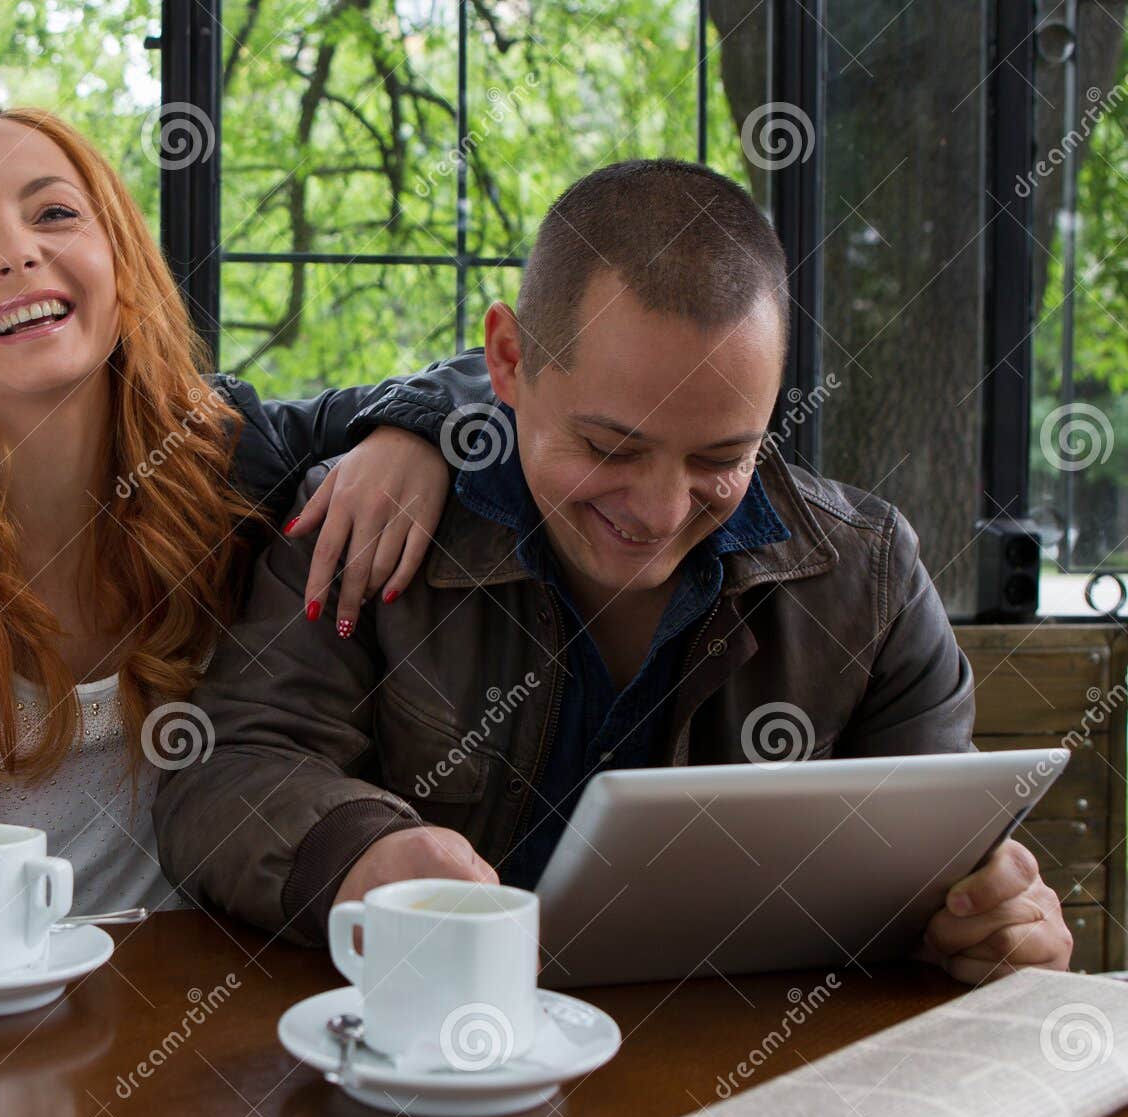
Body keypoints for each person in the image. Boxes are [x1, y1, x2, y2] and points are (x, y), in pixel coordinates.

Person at [151, 159, 1073, 986]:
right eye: (610, 447)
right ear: (507, 361)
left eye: (723, 455)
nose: (662, 511)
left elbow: (940, 845)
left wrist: (990, 921)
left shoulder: (867, 573)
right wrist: (357, 852)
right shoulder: (363, 526)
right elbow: (222, 773)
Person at [0, 100, 460, 978]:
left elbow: (502, 376)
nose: (16, 251)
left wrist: (414, 432)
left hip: (238, 1032)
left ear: (118, 264)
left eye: (53, 213)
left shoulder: (238, 454)